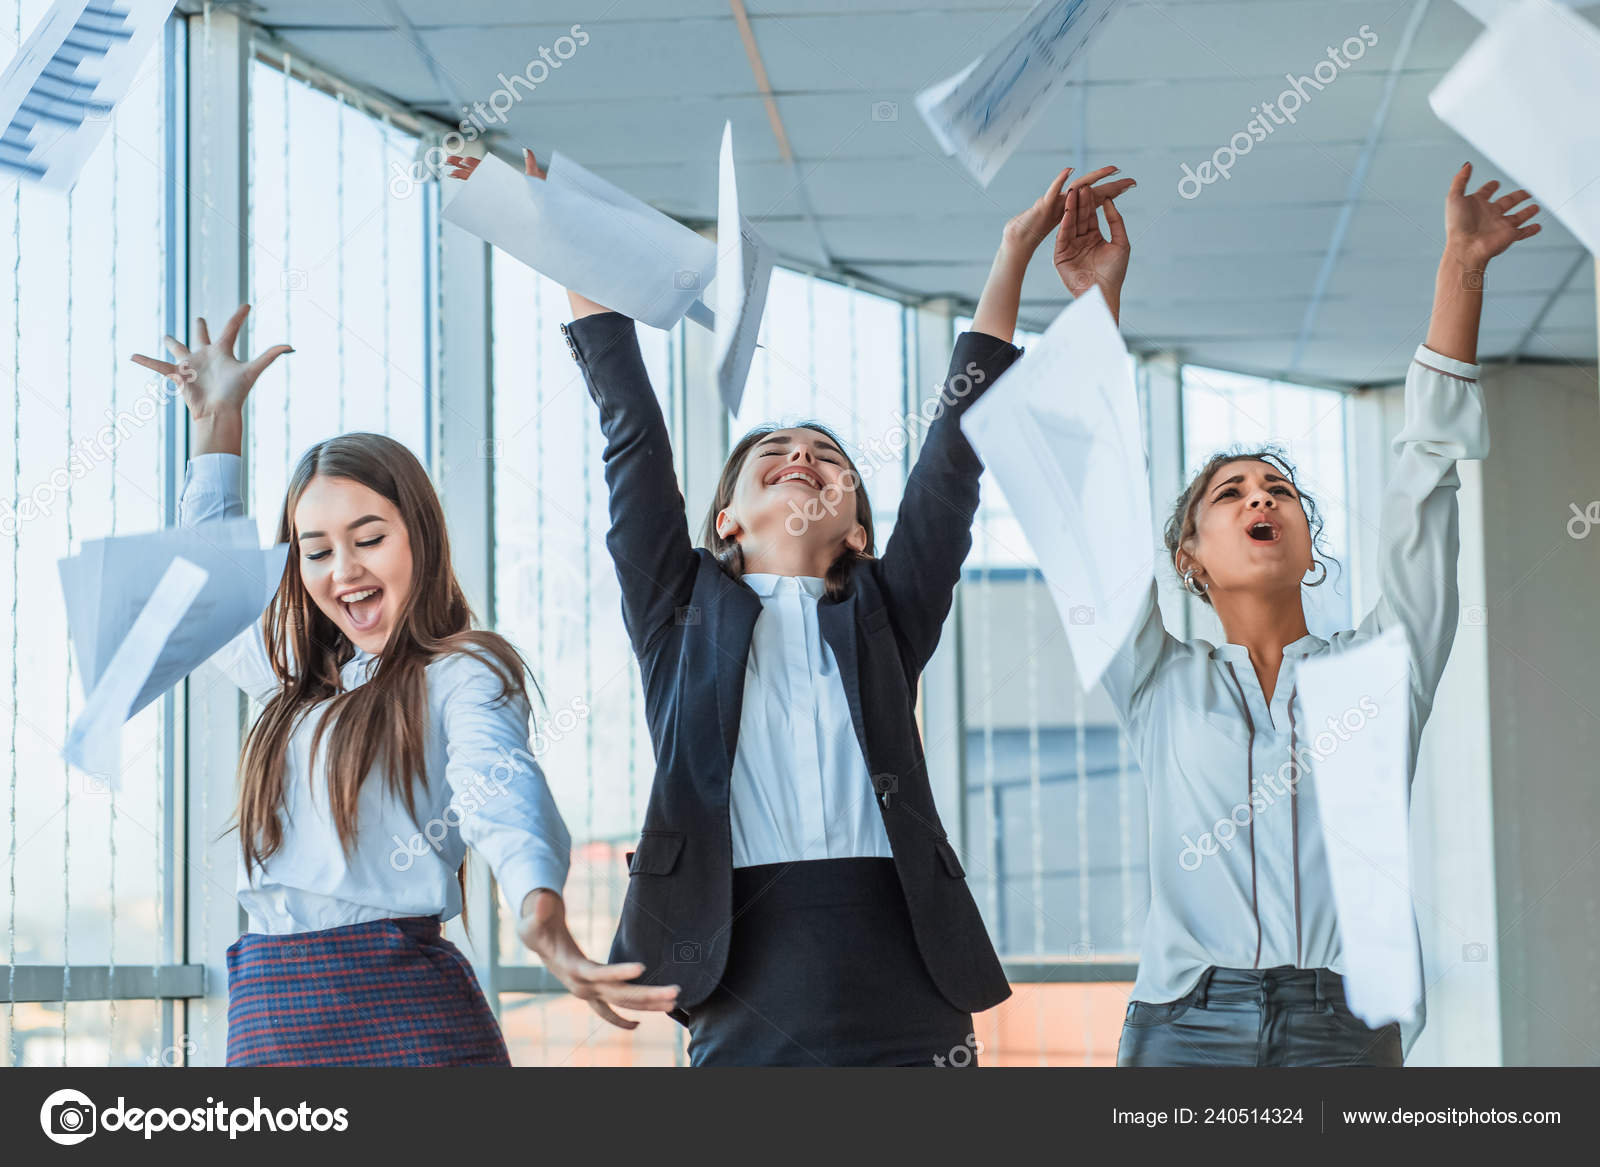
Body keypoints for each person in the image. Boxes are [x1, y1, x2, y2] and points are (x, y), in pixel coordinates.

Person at [447, 147, 1133, 1065]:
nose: (802, 453)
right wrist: (563, 231)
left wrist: (1010, 256)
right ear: (724, 517)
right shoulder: (678, 611)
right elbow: (632, 435)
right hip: (744, 966)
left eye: (827, 453)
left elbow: (954, 455)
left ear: (857, 528)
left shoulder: (889, 609)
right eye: (774, 450)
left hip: (906, 966)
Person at [132, 306, 678, 1064]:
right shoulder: (291, 685)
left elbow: (498, 780)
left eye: (369, 539)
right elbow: (206, 577)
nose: (343, 570)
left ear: (419, 536)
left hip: (405, 1011)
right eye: (316, 551)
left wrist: (536, 899)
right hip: (272, 1012)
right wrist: (219, 419)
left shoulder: (459, 669)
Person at [1086, 164, 1541, 1066]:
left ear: (1303, 536)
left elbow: (1425, 483)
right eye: (1233, 491)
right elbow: (1093, 514)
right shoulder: (1154, 680)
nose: (1264, 498)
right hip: (1185, 1025)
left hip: (1343, 1028)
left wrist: (1463, 269)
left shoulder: (1382, 664)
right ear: (1190, 557)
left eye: (1280, 488)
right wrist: (1098, 307)